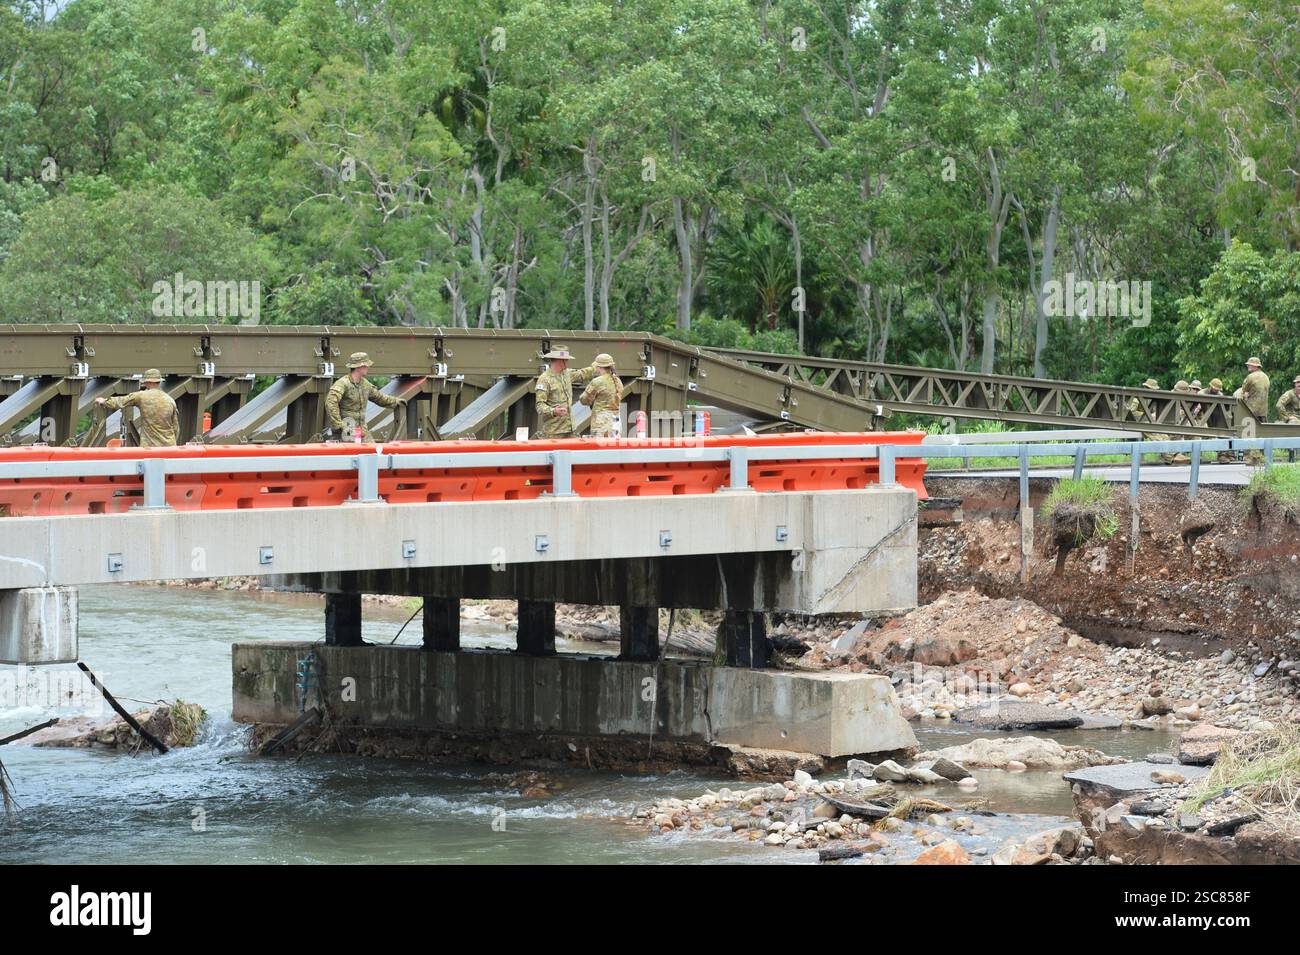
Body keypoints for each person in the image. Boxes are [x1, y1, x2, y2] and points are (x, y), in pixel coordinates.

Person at [325, 352, 406, 442]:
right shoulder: (343, 383)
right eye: (366, 365)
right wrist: (338, 425)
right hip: (346, 431)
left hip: (361, 431)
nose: (368, 367)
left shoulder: (365, 384)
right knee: (352, 453)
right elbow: (330, 402)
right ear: (359, 367)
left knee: (372, 452)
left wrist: (396, 401)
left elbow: (379, 397)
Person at [95, 368, 179, 447]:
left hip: (149, 447)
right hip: (169, 446)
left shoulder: (141, 396)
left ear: (149, 382)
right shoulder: (170, 400)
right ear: (159, 382)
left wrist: (105, 401)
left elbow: (121, 401)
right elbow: (175, 428)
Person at [534, 346, 598, 439]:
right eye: (566, 360)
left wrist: (595, 366)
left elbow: (581, 374)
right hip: (554, 432)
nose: (567, 362)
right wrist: (554, 411)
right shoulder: (544, 379)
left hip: (570, 429)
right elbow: (540, 406)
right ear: (560, 361)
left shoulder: (567, 374)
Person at [579, 353, 623, 438]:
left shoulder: (597, 381)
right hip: (616, 423)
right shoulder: (618, 381)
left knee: (600, 449)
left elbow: (584, 400)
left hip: (602, 424)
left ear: (599, 367)